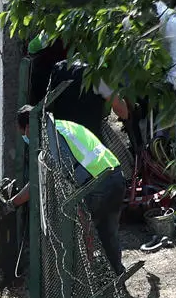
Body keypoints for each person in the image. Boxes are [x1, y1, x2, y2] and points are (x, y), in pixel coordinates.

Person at [10, 103, 129, 271]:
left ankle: (91, 271)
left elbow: (38, 181)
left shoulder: (52, 138)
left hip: (96, 184)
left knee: (80, 231)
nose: (25, 138)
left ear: (29, 128)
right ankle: (114, 273)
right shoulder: (62, 125)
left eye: (23, 133)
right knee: (108, 234)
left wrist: (12, 203)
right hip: (115, 175)